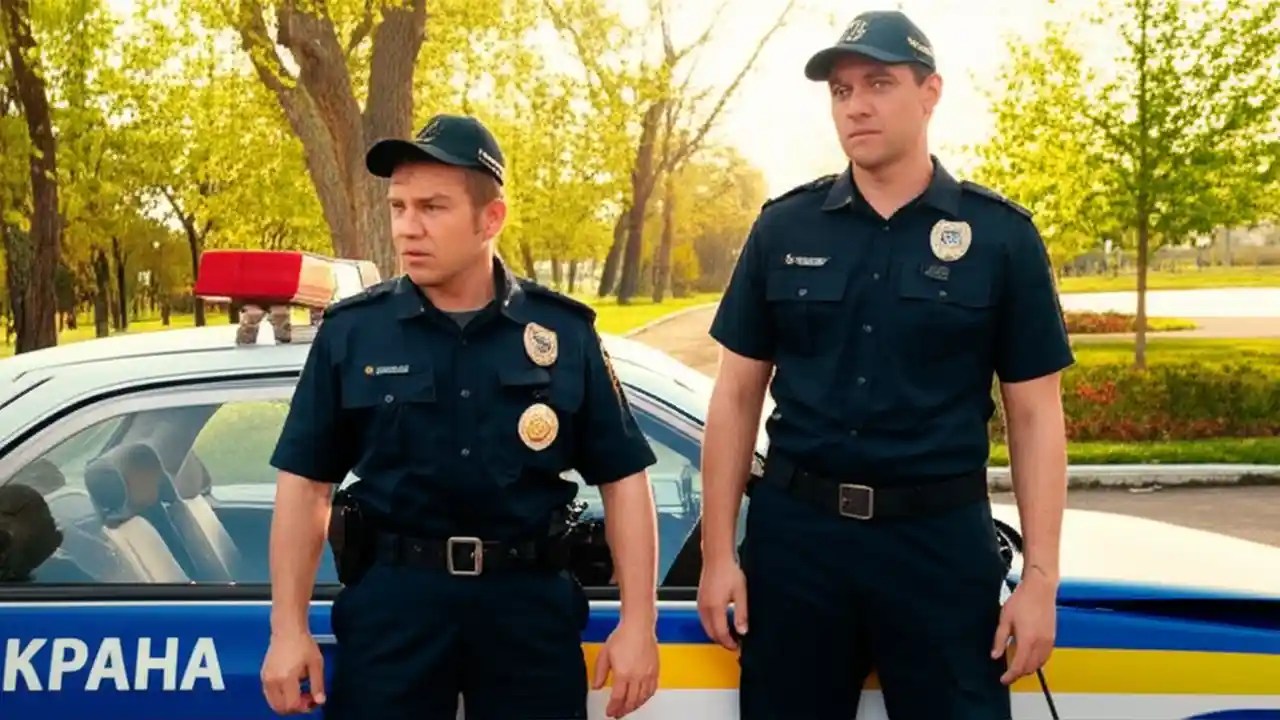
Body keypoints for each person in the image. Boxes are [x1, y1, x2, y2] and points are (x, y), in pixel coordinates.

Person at [696, 10, 1072, 720]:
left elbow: (1036, 413)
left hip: (939, 545)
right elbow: (737, 396)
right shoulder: (784, 227)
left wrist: (1041, 582)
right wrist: (721, 555)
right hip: (798, 545)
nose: (856, 105)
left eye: (878, 83)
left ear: (930, 93)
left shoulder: (1001, 239)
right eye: (841, 91)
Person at [259, 113, 662, 720]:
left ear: (489, 218)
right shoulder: (353, 334)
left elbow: (626, 479)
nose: (407, 229)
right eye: (398, 207)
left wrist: (640, 622)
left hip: (528, 612)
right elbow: (307, 483)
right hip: (395, 613)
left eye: (432, 207)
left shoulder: (562, 333)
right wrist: (286, 628)